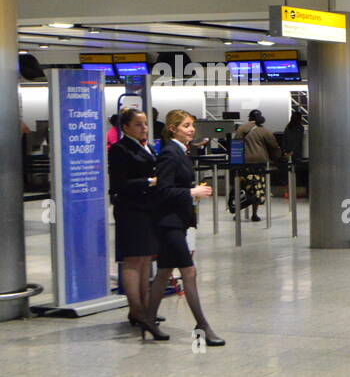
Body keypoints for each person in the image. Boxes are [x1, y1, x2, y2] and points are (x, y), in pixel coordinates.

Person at [143, 110, 222, 345]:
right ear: (173, 128)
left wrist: (191, 190)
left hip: (176, 220)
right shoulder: (170, 153)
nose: (191, 129)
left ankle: (147, 319)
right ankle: (203, 325)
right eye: (186, 125)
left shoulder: (181, 152)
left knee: (165, 272)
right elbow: (163, 191)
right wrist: (191, 192)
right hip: (169, 224)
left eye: (192, 125)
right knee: (189, 271)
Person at [107, 108, 160, 329]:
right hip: (131, 209)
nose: (144, 128)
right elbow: (119, 185)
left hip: (148, 208)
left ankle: (146, 307)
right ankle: (136, 309)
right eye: (138, 124)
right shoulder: (120, 149)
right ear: (126, 127)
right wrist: (149, 181)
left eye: (145, 124)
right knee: (133, 260)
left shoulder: (146, 146)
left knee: (146, 258)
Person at [232, 109, 280, 222]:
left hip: (244, 164)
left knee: (242, 188)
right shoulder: (264, 131)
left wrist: (235, 163)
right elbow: (274, 146)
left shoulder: (242, 129)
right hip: (259, 164)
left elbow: (236, 145)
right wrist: (278, 159)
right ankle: (254, 214)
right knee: (257, 188)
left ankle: (238, 213)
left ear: (249, 118)